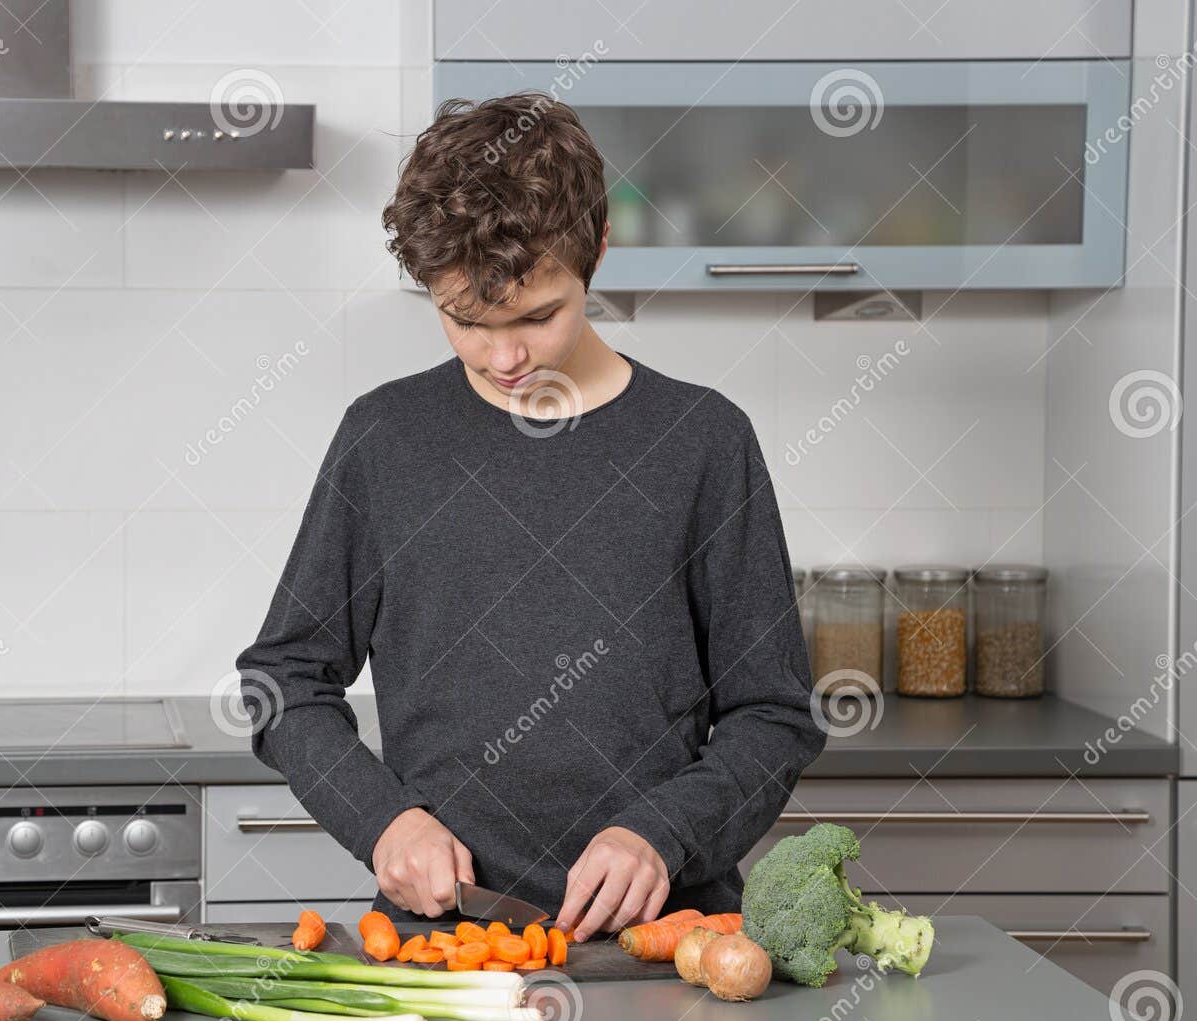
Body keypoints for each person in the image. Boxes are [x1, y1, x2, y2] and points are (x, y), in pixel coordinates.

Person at [235, 92, 826, 942]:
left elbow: (773, 713)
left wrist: (662, 835)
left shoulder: (703, 441)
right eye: (465, 321)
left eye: (538, 317)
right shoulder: (385, 437)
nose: (504, 358)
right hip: (447, 944)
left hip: (668, 941)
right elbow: (284, 679)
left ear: (602, 248)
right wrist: (383, 824)